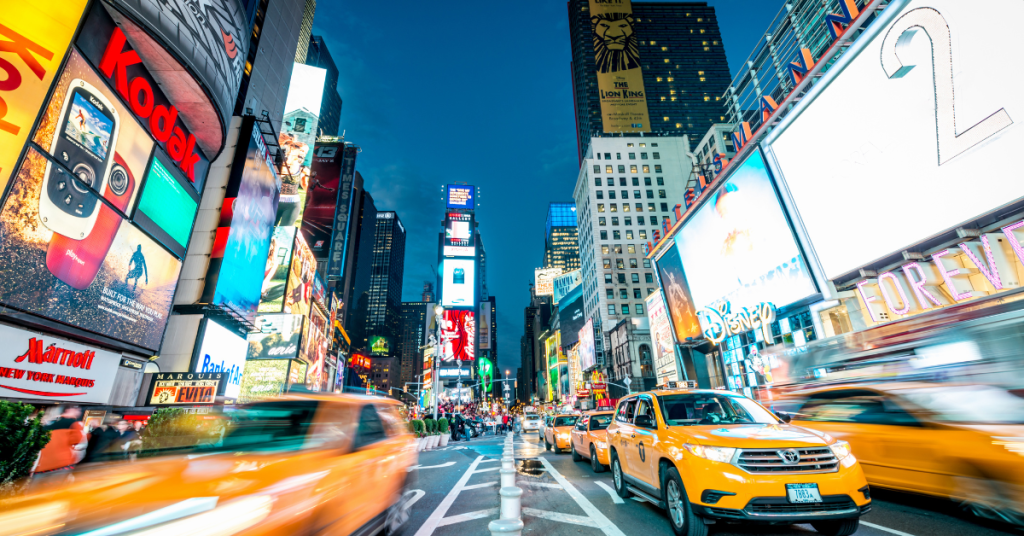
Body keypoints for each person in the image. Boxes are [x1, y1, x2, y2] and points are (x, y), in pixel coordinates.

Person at [34, 406, 84, 486]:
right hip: (61, 463)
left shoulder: (49, 423)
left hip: (43, 464)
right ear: (70, 409)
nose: (79, 412)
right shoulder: (75, 423)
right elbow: (77, 440)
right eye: (78, 410)